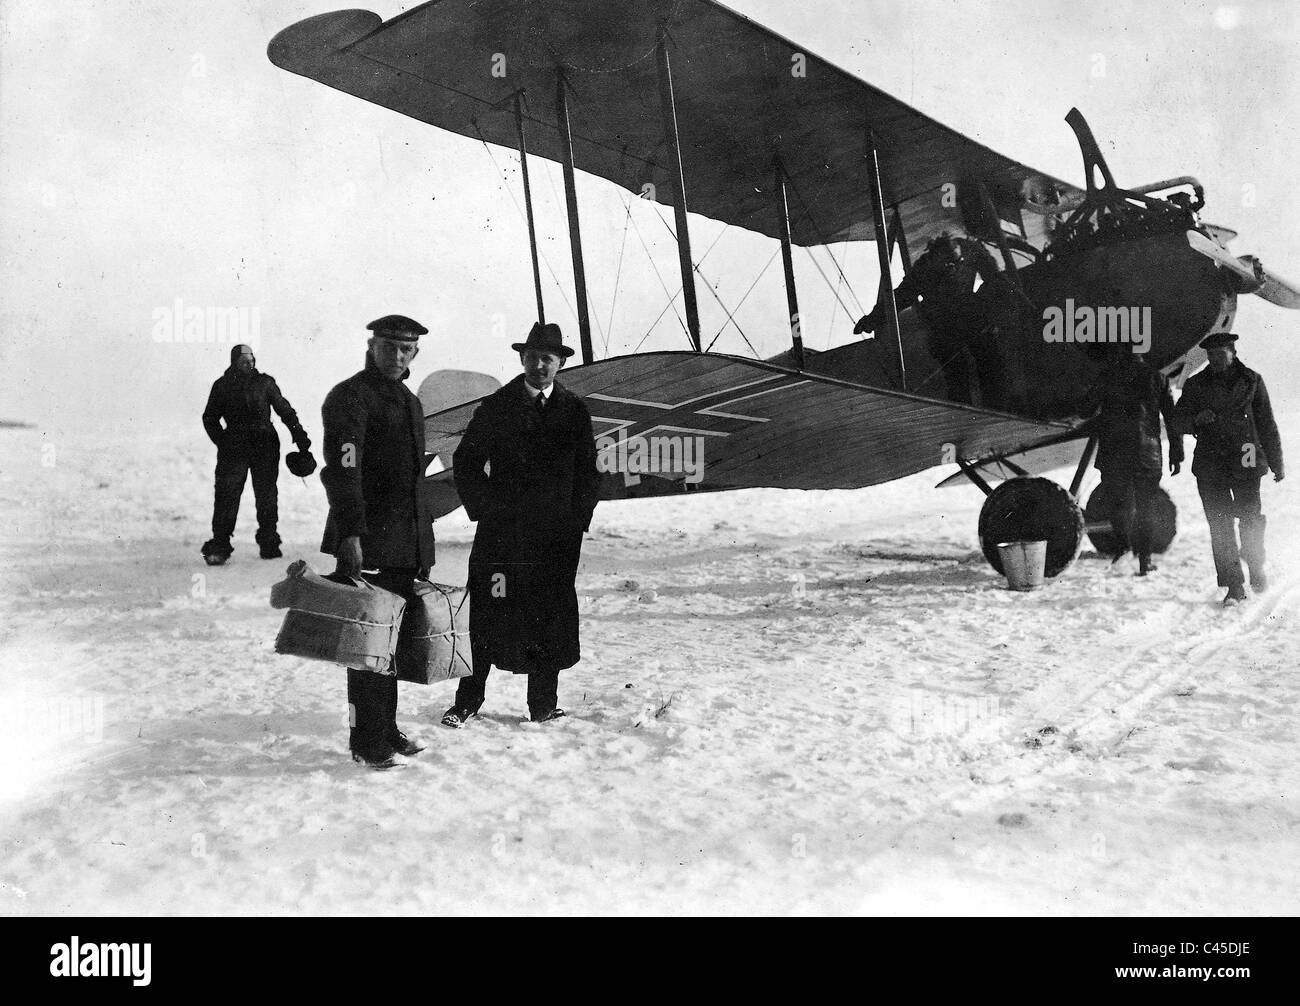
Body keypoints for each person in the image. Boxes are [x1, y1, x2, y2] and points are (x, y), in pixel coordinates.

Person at [442, 322, 600, 727]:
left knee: (549, 616)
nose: (539, 365)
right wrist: (486, 510)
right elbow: (466, 462)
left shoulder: (574, 410)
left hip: (555, 540)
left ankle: (543, 704)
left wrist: (576, 522)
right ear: (522, 359)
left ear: (561, 363)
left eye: (548, 358)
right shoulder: (497, 406)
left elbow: (588, 472)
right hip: (504, 536)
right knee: (488, 613)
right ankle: (467, 701)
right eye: (532, 357)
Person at [320, 315, 437, 766]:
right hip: (368, 540)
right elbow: (342, 470)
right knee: (366, 644)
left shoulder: (409, 401)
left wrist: (422, 545)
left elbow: (412, 481)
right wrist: (350, 534)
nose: (396, 355)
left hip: (403, 544)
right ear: (372, 346)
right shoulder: (350, 397)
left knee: (393, 644)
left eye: (405, 349)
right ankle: (366, 743)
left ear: (415, 354)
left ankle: (385, 729)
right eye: (388, 346)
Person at [1175, 332, 1284, 605]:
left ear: (1232, 352)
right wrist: (1195, 420)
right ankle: (1234, 586)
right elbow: (1177, 421)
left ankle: (1256, 565)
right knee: (1220, 525)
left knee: (1250, 519)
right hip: (1211, 464)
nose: (1215, 360)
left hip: (1246, 459)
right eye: (1211, 356)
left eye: (1220, 354)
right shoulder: (1196, 384)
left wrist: (1276, 462)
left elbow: (1266, 423)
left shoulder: (1252, 380)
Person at [854, 233, 1002, 406]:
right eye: (945, 265)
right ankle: (963, 410)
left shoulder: (972, 250)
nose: (950, 268)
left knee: (991, 361)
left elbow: (995, 280)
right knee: (956, 372)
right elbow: (900, 297)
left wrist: (986, 306)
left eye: (954, 263)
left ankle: (998, 406)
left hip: (971, 316)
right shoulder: (924, 269)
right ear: (935, 258)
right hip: (942, 324)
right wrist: (872, 319)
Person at [201, 344, 310, 565]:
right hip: (234, 448)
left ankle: (269, 542)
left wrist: (300, 437)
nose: (249, 364)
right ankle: (220, 545)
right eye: (244, 361)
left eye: (251, 360)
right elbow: (209, 417)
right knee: (227, 495)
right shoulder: (222, 386)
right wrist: (223, 442)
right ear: (234, 362)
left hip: (264, 445)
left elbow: (284, 410)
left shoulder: (265, 383)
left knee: (267, 494)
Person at [1079, 346, 1183, 575]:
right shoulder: (1158, 378)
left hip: (1114, 452)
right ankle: (1145, 561)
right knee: (1146, 507)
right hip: (1148, 454)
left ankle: (1124, 547)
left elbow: (1085, 411)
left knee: (1118, 504)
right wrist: (1177, 451)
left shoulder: (1108, 376)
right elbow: (1172, 418)